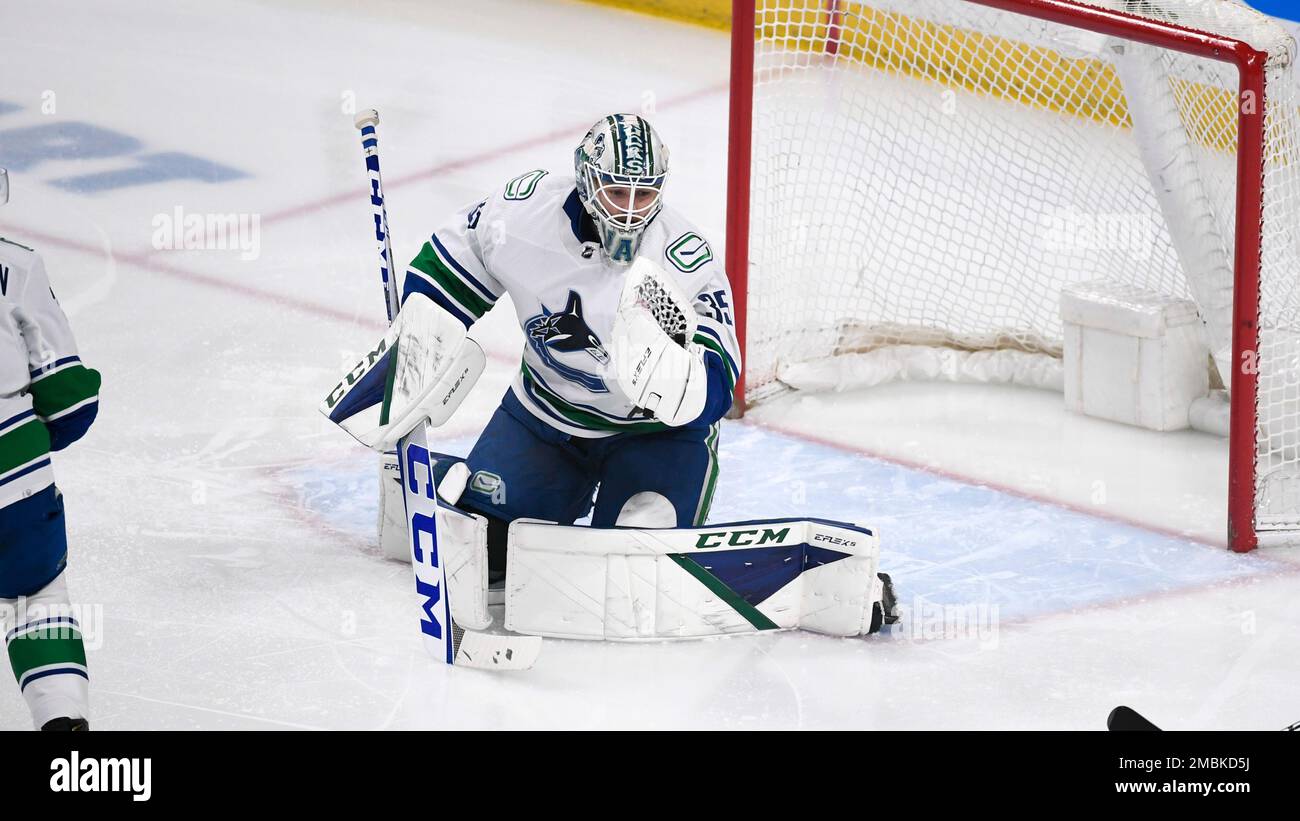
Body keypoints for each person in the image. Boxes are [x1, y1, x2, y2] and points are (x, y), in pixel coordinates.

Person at [396, 114, 740, 577]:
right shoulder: (522, 215)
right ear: (586, 179)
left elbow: (721, 369)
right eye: (618, 192)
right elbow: (450, 264)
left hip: (655, 436)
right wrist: (420, 339)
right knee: (485, 554)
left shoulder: (682, 258)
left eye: (645, 194)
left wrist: (692, 389)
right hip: (544, 419)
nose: (631, 210)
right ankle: (440, 477)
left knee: (635, 572)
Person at [0, 167, 101, 730]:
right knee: (37, 598)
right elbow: (68, 406)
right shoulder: (17, 265)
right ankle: (63, 730)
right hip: (17, 481)